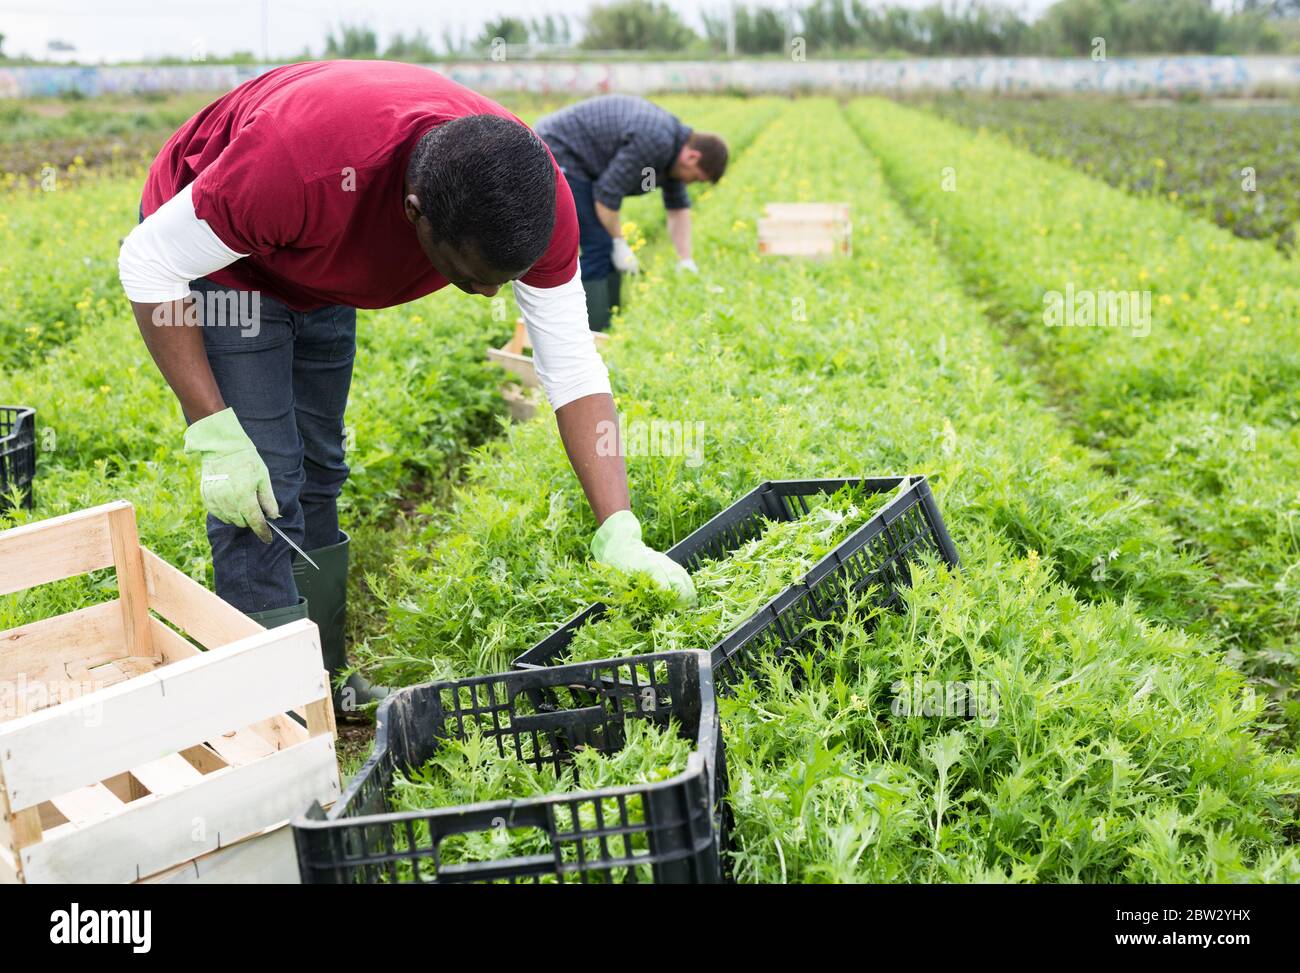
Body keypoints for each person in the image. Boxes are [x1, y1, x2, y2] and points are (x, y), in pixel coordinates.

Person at [118, 61, 696, 714]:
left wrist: (618, 527)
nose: (487, 293)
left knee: (319, 466)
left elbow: (573, 367)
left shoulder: (536, 201)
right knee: (263, 485)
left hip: (314, 262)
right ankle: (272, 718)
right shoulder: (299, 166)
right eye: (474, 274)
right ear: (414, 213)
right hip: (223, 263)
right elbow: (147, 260)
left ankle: (324, 683)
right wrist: (212, 428)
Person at [534, 95, 728, 330]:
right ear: (692, 157)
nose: (690, 183)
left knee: (604, 246)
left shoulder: (674, 155)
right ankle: (591, 331)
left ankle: (611, 320)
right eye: (696, 178)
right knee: (599, 245)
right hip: (556, 149)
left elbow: (678, 209)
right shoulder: (655, 141)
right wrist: (619, 242)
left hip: (585, 162)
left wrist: (685, 259)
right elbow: (607, 195)